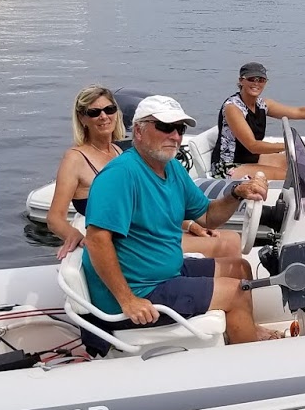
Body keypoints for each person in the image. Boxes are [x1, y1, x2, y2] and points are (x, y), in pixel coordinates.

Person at [83, 95, 276, 345]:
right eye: (165, 127)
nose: (175, 136)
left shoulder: (171, 167)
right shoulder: (120, 175)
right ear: (139, 131)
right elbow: (97, 240)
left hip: (166, 271)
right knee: (237, 293)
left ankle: (245, 329)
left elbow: (207, 217)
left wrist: (236, 193)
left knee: (241, 269)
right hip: (139, 290)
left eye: (180, 129)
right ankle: (246, 364)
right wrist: (128, 300)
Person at [47, 85, 237, 264]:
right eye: (94, 112)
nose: (104, 116)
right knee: (228, 244)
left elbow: (148, 206)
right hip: (127, 245)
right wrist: (75, 236)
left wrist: (190, 225)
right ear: (82, 119)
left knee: (230, 238)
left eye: (110, 109)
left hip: (146, 233)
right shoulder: (75, 159)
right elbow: (55, 218)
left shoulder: (118, 152)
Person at [212, 61, 305, 178]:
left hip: (250, 159)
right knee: (291, 175)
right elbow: (253, 146)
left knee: (300, 164)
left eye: (261, 80)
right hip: (228, 167)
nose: (256, 83)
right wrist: (290, 146)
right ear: (241, 81)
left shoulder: (262, 104)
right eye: (251, 79)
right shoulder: (233, 108)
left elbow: (298, 112)